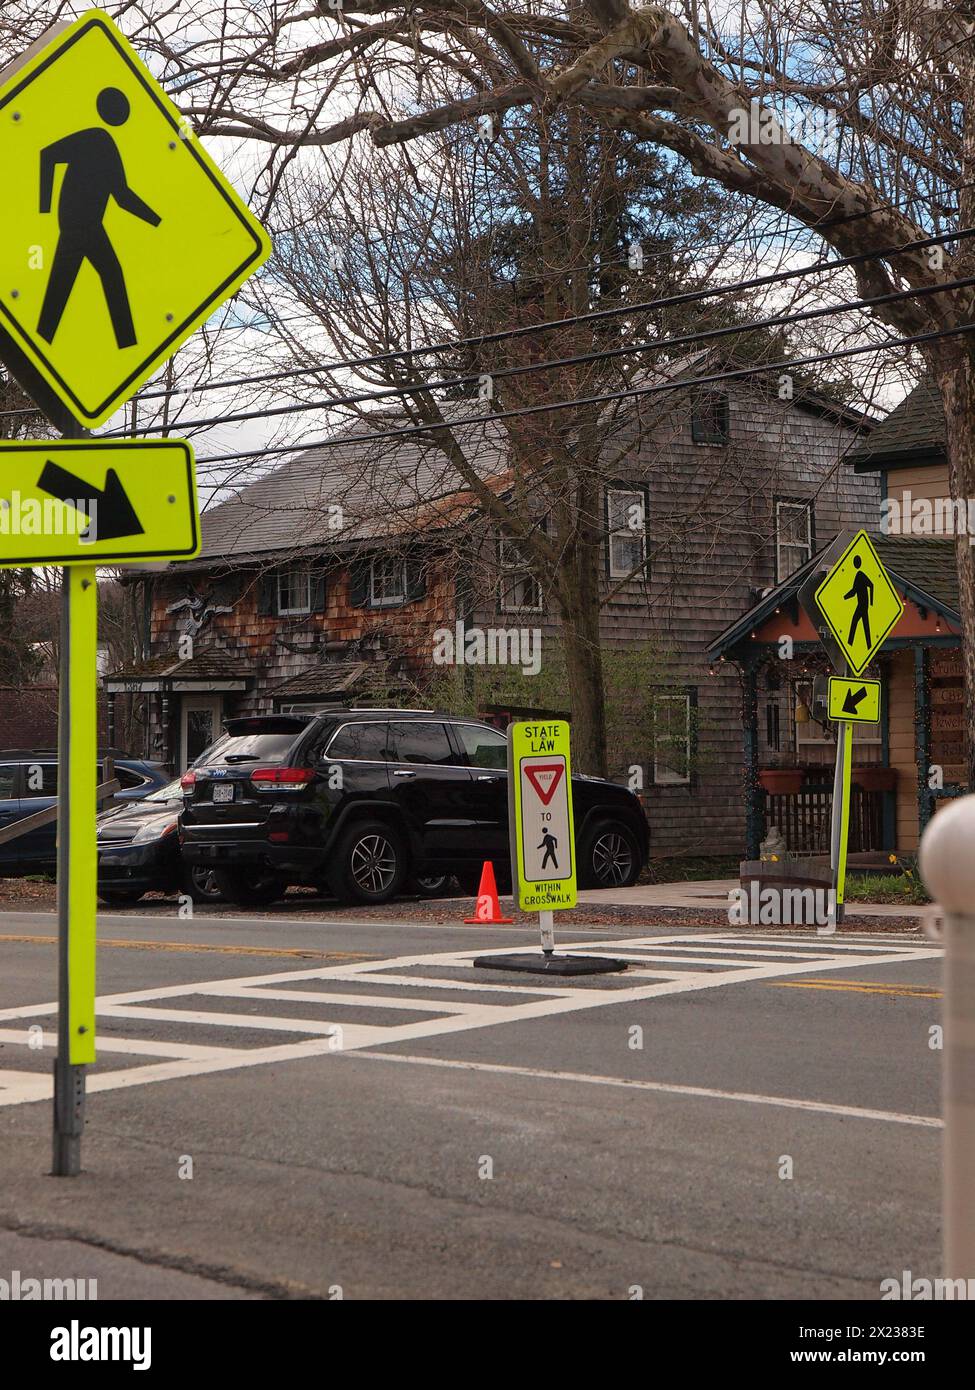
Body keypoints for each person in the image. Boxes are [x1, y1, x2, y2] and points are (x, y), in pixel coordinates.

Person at [37, 86, 161, 350]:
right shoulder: (96, 138)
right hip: (77, 226)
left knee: (73, 284)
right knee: (107, 276)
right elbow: (47, 155)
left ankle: (44, 339)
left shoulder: (107, 145)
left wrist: (158, 222)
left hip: (89, 227)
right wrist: (43, 209)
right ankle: (126, 343)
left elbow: (122, 196)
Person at [844, 554, 873, 650]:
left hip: (862, 605)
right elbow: (854, 592)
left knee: (854, 622)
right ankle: (868, 645)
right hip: (863, 604)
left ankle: (850, 643)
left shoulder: (860, 575)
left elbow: (871, 585)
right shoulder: (859, 575)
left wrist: (872, 602)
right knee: (865, 625)